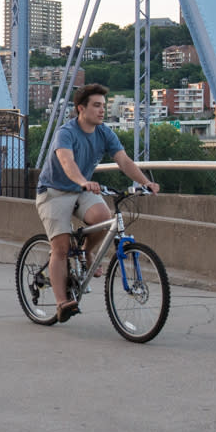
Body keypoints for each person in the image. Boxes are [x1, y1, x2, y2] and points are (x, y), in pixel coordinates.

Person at [35, 83, 160, 324]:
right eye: (96, 105)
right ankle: (62, 303)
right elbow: (66, 161)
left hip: (81, 189)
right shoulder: (67, 132)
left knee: (104, 217)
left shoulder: (104, 132)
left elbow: (123, 161)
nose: (102, 110)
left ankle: (87, 251)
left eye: (104, 105)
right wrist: (83, 181)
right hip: (54, 191)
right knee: (60, 248)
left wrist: (145, 183)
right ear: (81, 108)